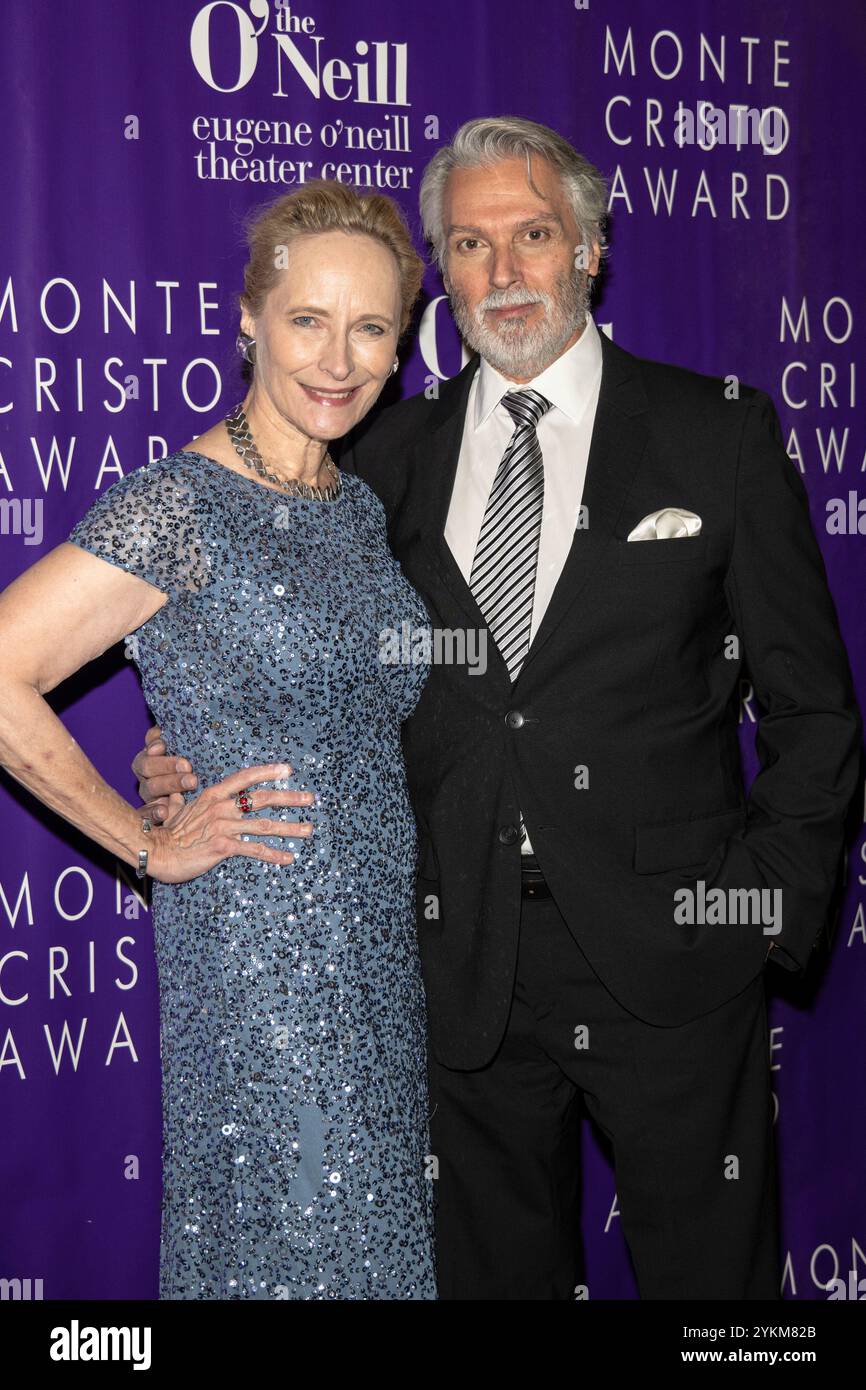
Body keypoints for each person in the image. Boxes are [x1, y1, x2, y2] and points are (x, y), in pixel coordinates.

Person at [138, 117, 861, 1302]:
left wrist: (757, 914)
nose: (503, 272)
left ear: (589, 248)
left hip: (674, 959)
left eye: (531, 235)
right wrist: (184, 753)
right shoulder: (375, 458)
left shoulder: (715, 432)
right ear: (441, 271)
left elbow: (812, 711)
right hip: (455, 964)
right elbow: (307, 663)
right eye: (468, 244)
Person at [0, 181, 438, 1299]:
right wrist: (143, 844)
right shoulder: (179, 506)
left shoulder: (356, 506)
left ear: (401, 343)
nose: (337, 358)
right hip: (260, 970)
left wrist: (171, 737)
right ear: (247, 317)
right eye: (307, 319)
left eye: (371, 326)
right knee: (283, 1250)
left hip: (383, 967)